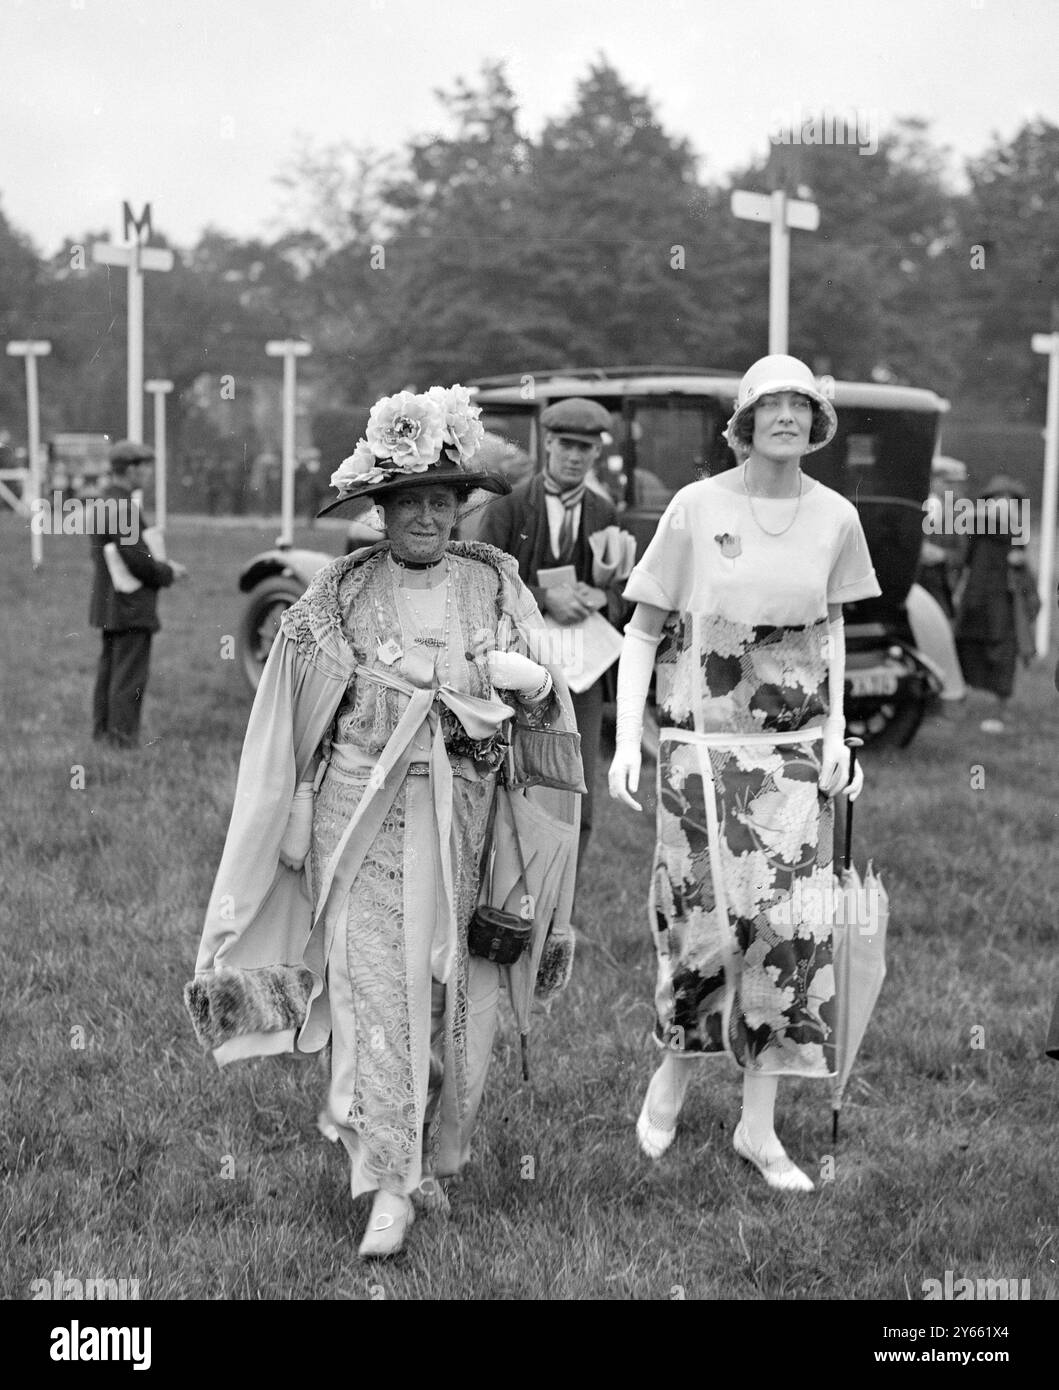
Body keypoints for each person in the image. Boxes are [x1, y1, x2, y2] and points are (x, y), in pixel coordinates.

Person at [185, 386, 580, 1258]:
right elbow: (289, 722)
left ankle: (432, 1153)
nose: (428, 517)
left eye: (442, 501)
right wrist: (286, 818)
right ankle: (385, 1184)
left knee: (448, 991)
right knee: (375, 994)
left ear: (459, 508)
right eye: (410, 503)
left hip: (469, 827)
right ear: (381, 510)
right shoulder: (339, 595)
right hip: (360, 822)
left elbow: (550, 694)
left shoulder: (493, 582)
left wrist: (535, 684)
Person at [608, 355, 881, 1192]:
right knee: (697, 928)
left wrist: (839, 735)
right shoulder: (696, 507)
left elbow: (832, 637)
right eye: (772, 406)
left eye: (801, 406)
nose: (787, 418)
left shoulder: (835, 516)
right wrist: (627, 739)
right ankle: (671, 1079)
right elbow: (642, 629)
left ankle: (756, 1129)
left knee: (787, 934)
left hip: (792, 762)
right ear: (744, 420)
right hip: (698, 754)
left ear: (817, 423)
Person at [478, 397, 633, 873]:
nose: (574, 457)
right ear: (547, 443)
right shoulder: (509, 505)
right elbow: (483, 581)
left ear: (595, 453)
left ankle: (561, 904)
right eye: (566, 445)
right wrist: (546, 600)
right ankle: (502, 897)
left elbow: (628, 595)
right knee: (511, 777)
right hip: (516, 663)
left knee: (576, 781)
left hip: (581, 672)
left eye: (585, 449)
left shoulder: (604, 512)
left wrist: (604, 597)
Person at [89, 439, 188, 747]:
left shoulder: (106, 500)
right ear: (130, 469)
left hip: (110, 603)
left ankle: (104, 734)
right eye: (145, 468)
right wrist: (167, 571)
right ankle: (121, 740)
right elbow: (136, 558)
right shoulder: (123, 507)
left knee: (110, 671)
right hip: (130, 605)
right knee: (129, 676)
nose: (148, 474)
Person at [953, 474, 1039, 734]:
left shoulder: (1017, 535)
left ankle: (1000, 712)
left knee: (1002, 654)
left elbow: (1024, 576)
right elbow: (963, 560)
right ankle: (960, 705)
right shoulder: (976, 526)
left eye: (1009, 501)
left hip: (1002, 602)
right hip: (976, 597)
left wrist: (1021, 564)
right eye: (997, 500)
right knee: (966, 649)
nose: (1002, 505)